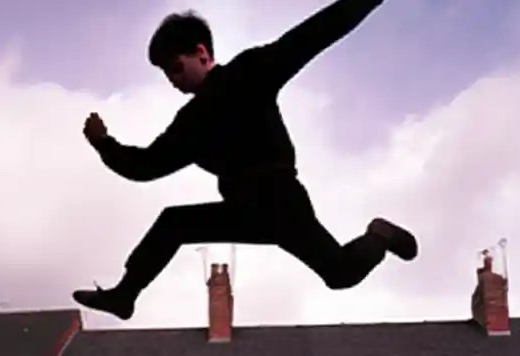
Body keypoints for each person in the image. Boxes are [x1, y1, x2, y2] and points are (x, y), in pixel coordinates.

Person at [74, 0, 416, 320]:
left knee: (341, 274)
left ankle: (378, 235)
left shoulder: (249, 72)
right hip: (244, 208)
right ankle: (124, 296)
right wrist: (104, 144)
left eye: (177, 68)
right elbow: (144, 166)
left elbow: (314, 34)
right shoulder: (189, 123)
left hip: (281, 202)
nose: (174, 82)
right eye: (167, 75)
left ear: (202, 52)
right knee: (173, 223)